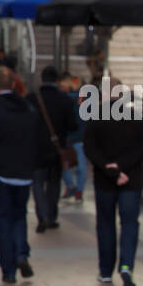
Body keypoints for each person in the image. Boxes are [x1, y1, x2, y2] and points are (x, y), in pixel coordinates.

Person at [0, 66, 55, 283]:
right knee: (19, 216)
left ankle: (8, 269)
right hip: (23, 173)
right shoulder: (28, 109)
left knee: (3, 221)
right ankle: (21, 254)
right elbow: (38, 140)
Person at [82, 86, 143, 286]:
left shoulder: (96, 118)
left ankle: (105, 271)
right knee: (130, 223)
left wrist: (109, 168)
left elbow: (89, 148)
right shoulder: (135, 117)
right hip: (131, 180)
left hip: (105, 181)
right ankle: (126, 265)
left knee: (105, 224)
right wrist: (122, 167)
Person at [29, 65, 78, 230]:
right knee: (54, 183)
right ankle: (51, 216)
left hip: (36, 149)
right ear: (57, 80)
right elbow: (72, 125)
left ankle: (41, 215)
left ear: (42, 79)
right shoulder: (64, 99)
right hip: (57, 149)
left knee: (37, 183)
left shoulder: (32, 98)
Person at [59, 72, 87, 203]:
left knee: (76, 167)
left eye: (63, 84)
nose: (62, 87)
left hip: (78, 137)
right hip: (71, 137)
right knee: (67, 167)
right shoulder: (66, 98)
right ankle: (73, 188)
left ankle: (77, 190)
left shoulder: (80, 97)